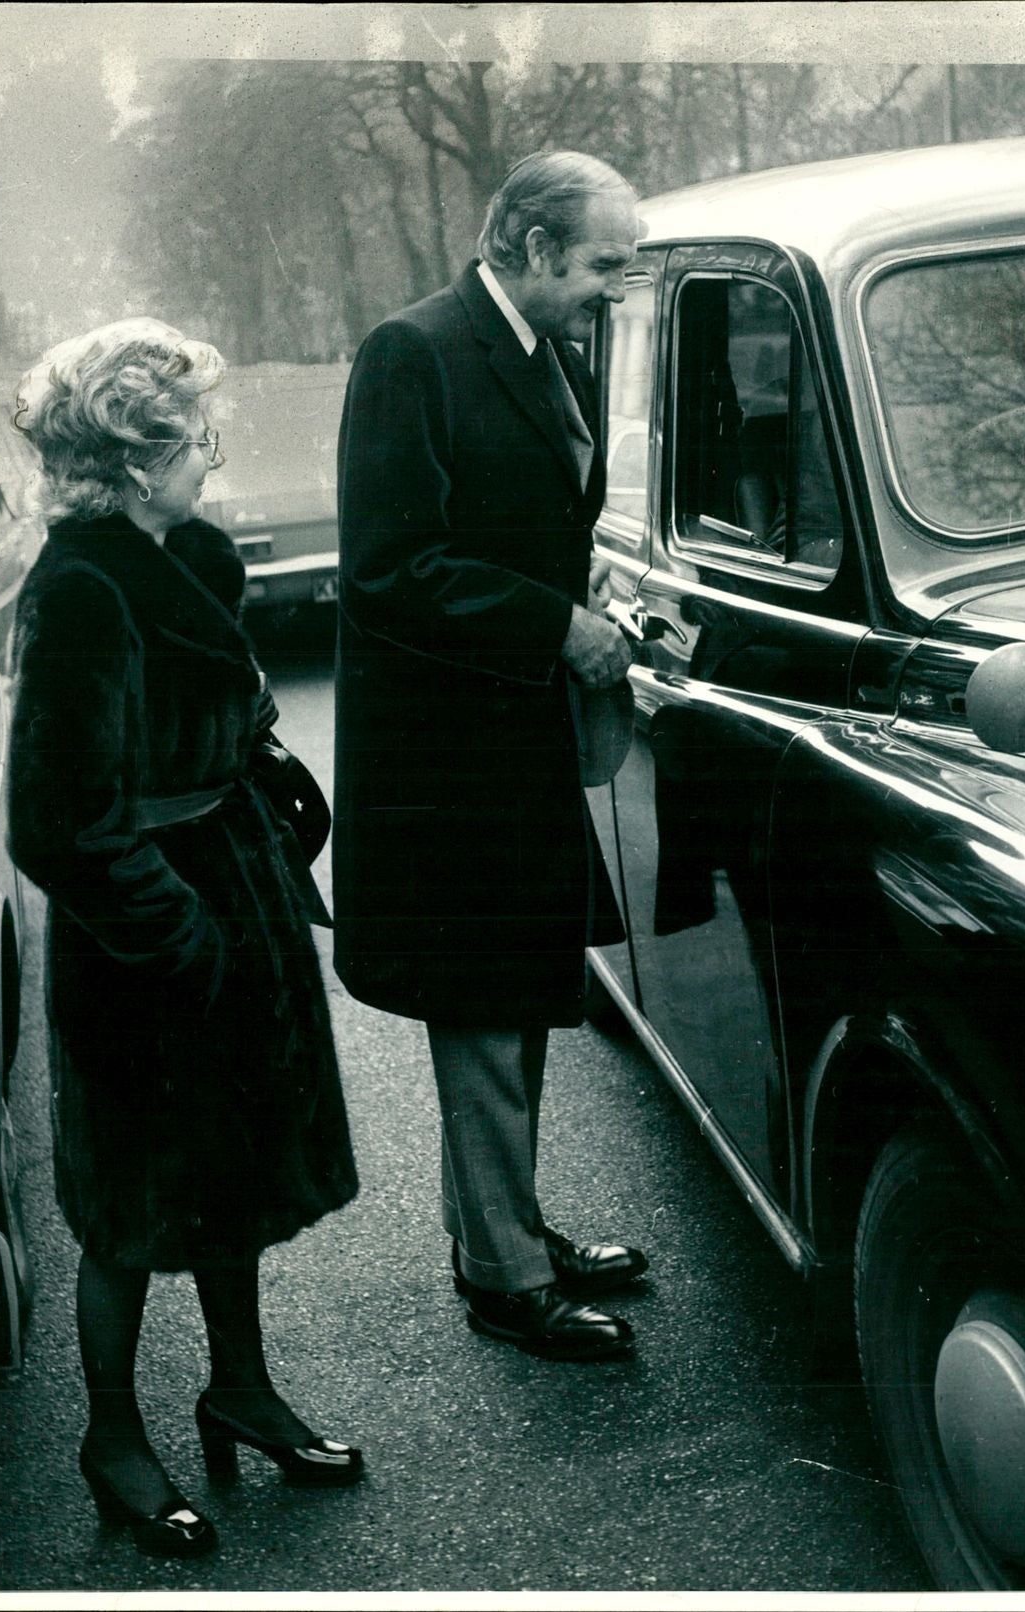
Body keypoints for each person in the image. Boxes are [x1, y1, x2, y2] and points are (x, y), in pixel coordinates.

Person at [7, 319, 363, 1559]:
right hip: (143, 941)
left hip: (228, 888)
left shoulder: (190, 556)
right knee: (129, 1206)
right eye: (196, 432)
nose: (214, 449)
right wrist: (188, 942)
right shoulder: (81, 588)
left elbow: (225, 713)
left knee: (233, 1172)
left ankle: (240, 1388)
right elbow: (55, 825)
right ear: (137, 455)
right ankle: (112, 1437)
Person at [332, 152, 648, 1361]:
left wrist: (584, 589)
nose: (613, 290)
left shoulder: (547, 348)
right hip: (446, 762)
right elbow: (386, 569)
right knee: (479, 1009)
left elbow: (529, 522)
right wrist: (556, 624)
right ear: (525, 243)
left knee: (512, 994)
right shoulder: (409, 353)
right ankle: (506, 1277)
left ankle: (503, 1232)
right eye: (601, 265)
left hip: (506, 737)